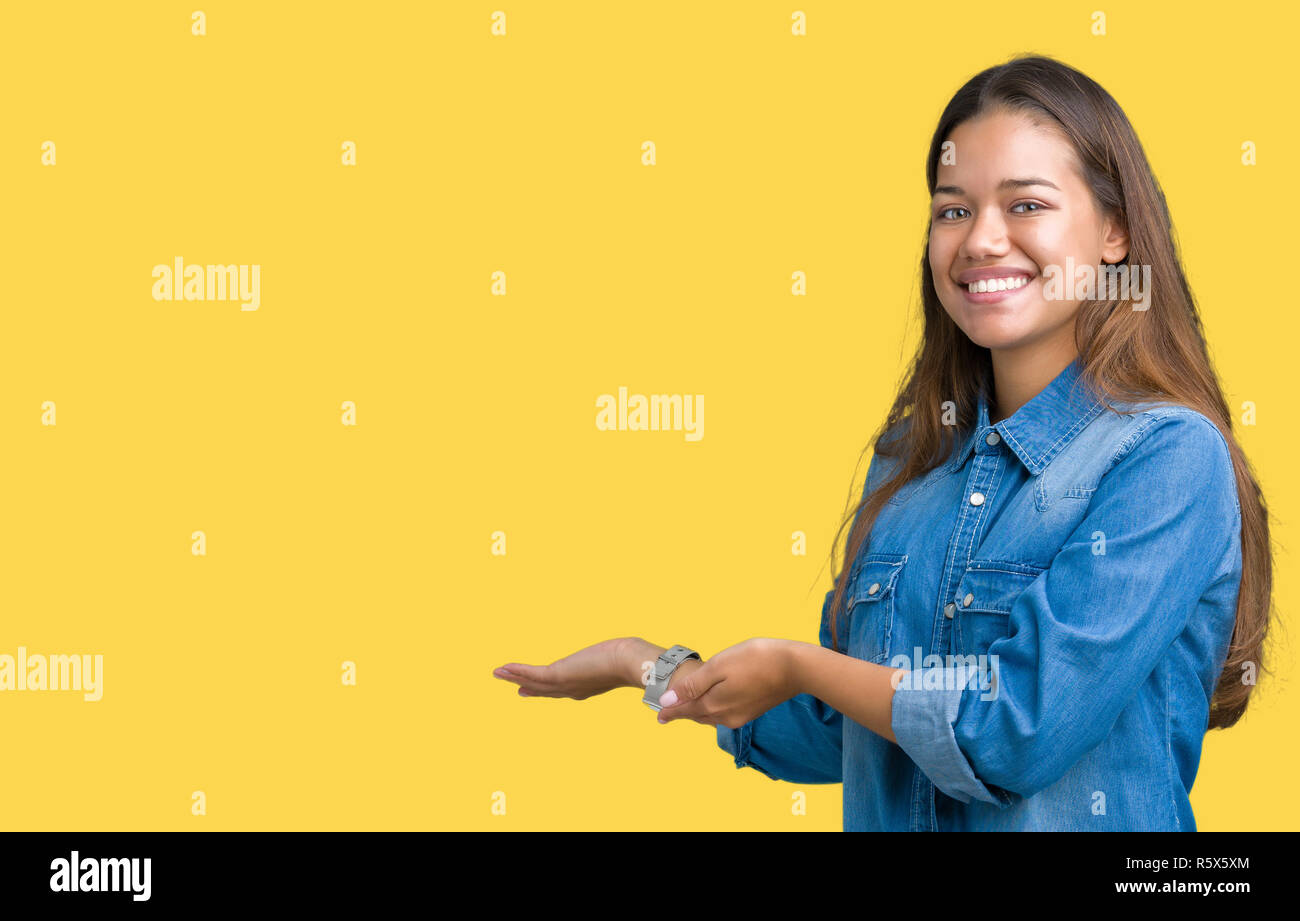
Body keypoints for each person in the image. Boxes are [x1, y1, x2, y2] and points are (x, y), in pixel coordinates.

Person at [492, 54, 1274, 831]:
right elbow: (848, 728)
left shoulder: (1167, 457)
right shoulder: (912, 457)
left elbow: (1015, 730)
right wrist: (647, 662)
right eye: (953, 210)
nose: (980, 241)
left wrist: (799, 662)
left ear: (1114, 232)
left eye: (1026, 205)